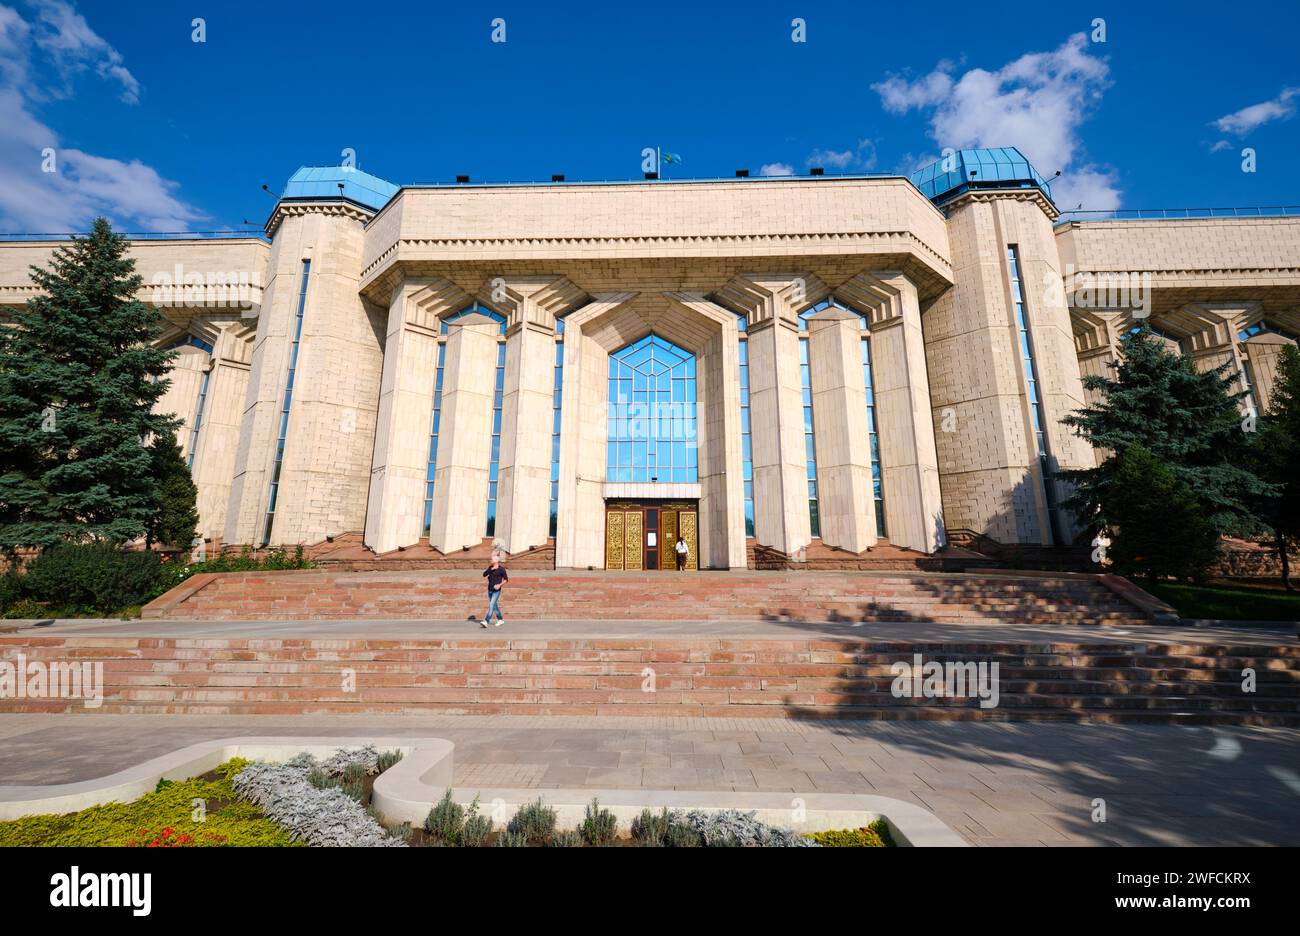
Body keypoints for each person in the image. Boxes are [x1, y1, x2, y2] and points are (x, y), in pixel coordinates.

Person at [480, 553, 508, 627]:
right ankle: (500, 620)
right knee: (494, 606)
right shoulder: (490, 568)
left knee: (491, 605)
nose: (490, 560)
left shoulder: (502, 569)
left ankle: (486, 621)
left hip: (496, 591)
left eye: (491, 559)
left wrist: (499, 585)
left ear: (496, 561)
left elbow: (506, 580)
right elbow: (484, 575)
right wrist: (491, 569)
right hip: (490, 589)